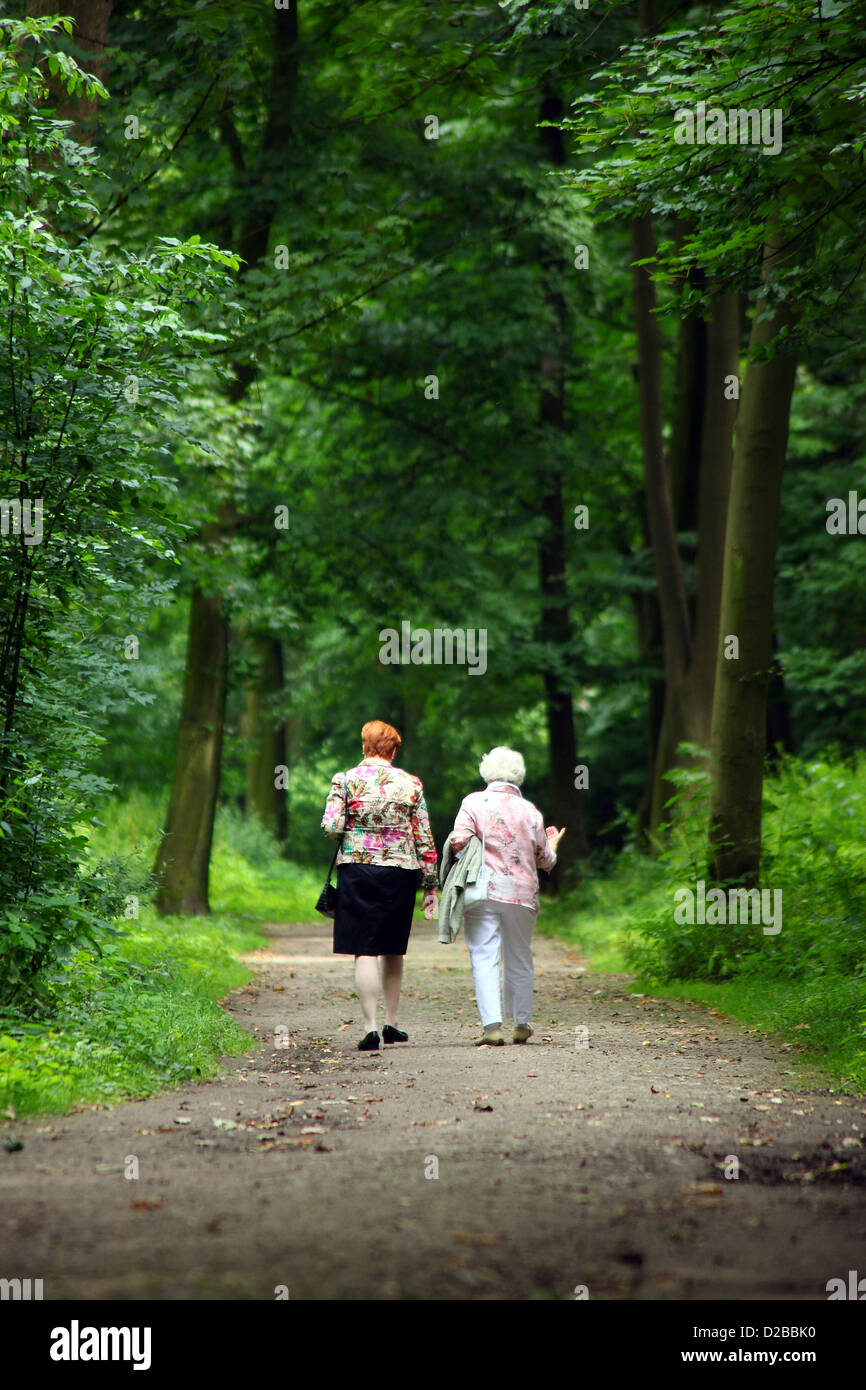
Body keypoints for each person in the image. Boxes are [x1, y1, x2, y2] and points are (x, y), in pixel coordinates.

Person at [321, 720, 439, 1051]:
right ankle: (392, 1023)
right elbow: (424, 837)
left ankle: (370, 1027)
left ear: (364, 746)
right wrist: (431, 884)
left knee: (364, 947)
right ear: (394, 749)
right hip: (401, 871)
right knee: (392, 947)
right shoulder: (411, 784)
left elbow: (331, 826)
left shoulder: (344, 780)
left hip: (358, 868)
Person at [447, 746, 565, 1046]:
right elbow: (545, 860)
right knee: (520, 955)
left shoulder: (474, 802)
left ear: (487, 772)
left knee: (484, 955)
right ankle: (522, 1023)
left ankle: (492, 1027)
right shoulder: (531, 811)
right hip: (523, 894)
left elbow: (458, 842)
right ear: (519, 775)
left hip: (482, 890)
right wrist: (554, 843)